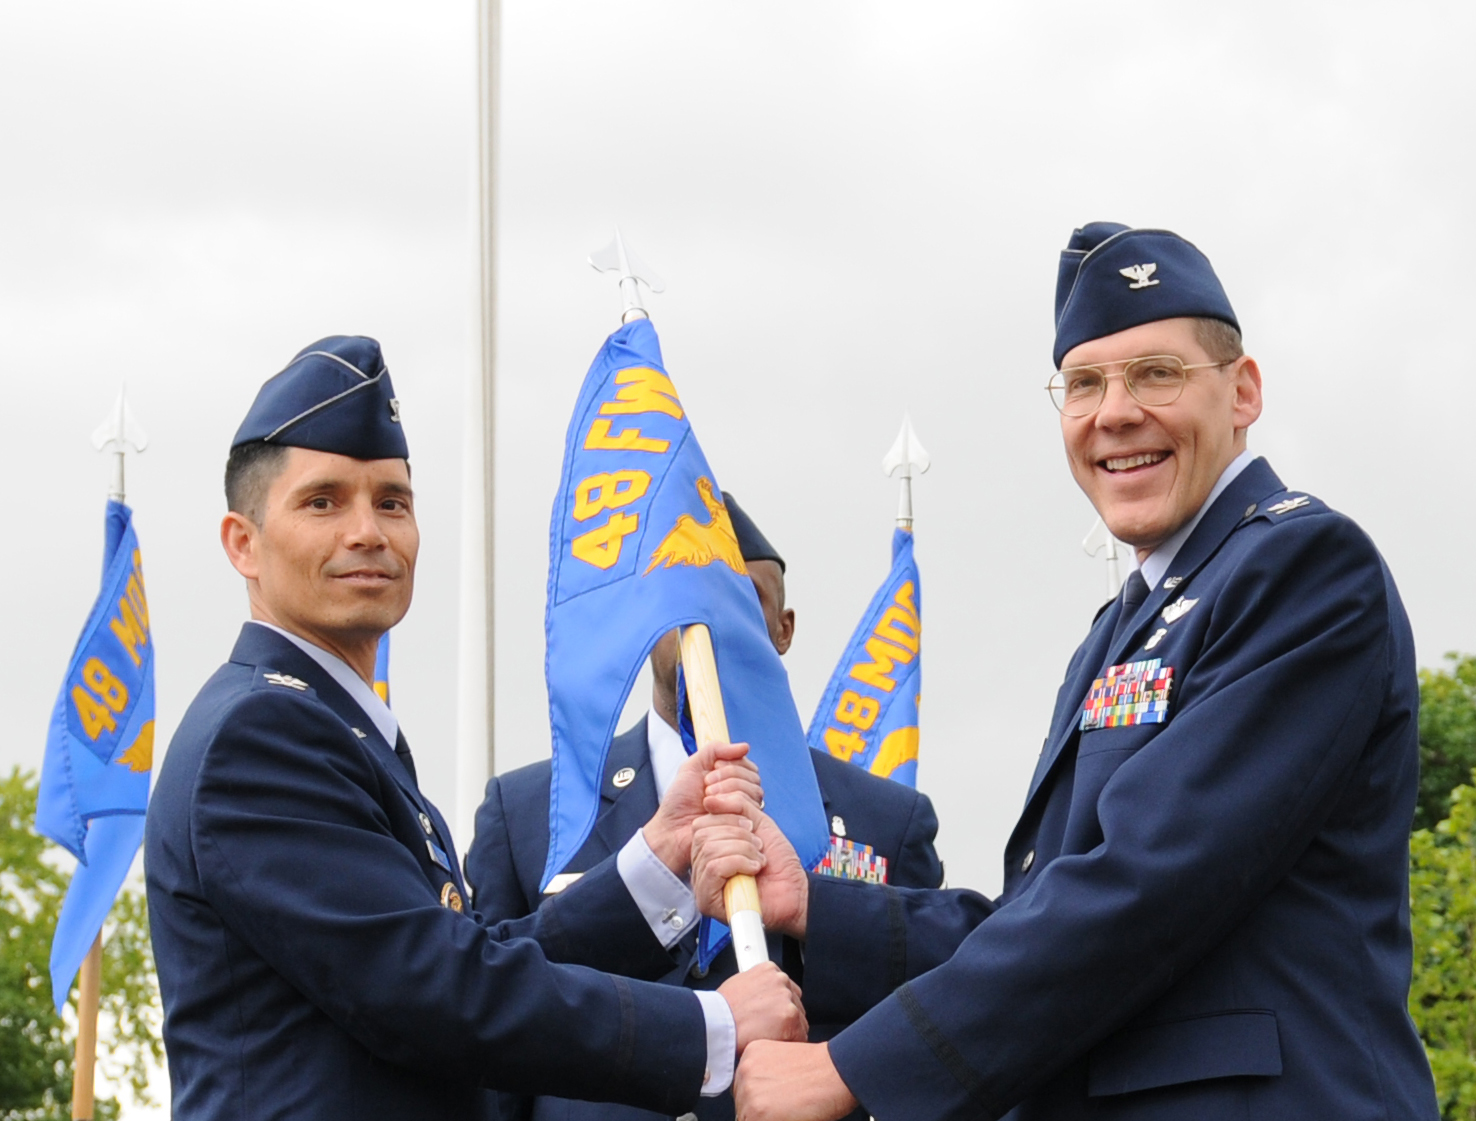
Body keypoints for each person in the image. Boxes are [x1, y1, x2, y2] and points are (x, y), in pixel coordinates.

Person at [693, 224, 1441, 1120]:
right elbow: (1041, 910)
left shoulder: (1306, 568)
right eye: (1083, 384)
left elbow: (1142, 889)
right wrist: (817, 905)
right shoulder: (1119, 629)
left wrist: (850, 1070)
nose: (1114, 413)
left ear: (1243, 391)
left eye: (1156, 373)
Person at [144, 336, 807, 1121]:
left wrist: (659, 860)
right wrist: (715, 1028)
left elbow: (472, 959)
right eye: (322, 501)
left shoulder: (332, 726)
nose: (367, 531)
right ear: (242, 544)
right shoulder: (260, 735)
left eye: (392, 501)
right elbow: (429, 987)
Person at [466, 492, 944, 1121]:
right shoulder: (529, 814)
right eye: (685, 596)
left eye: (742, 598)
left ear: (783, 628)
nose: (710, 620)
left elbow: (923, 1034)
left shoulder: (887, 820)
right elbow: (488, 1047)